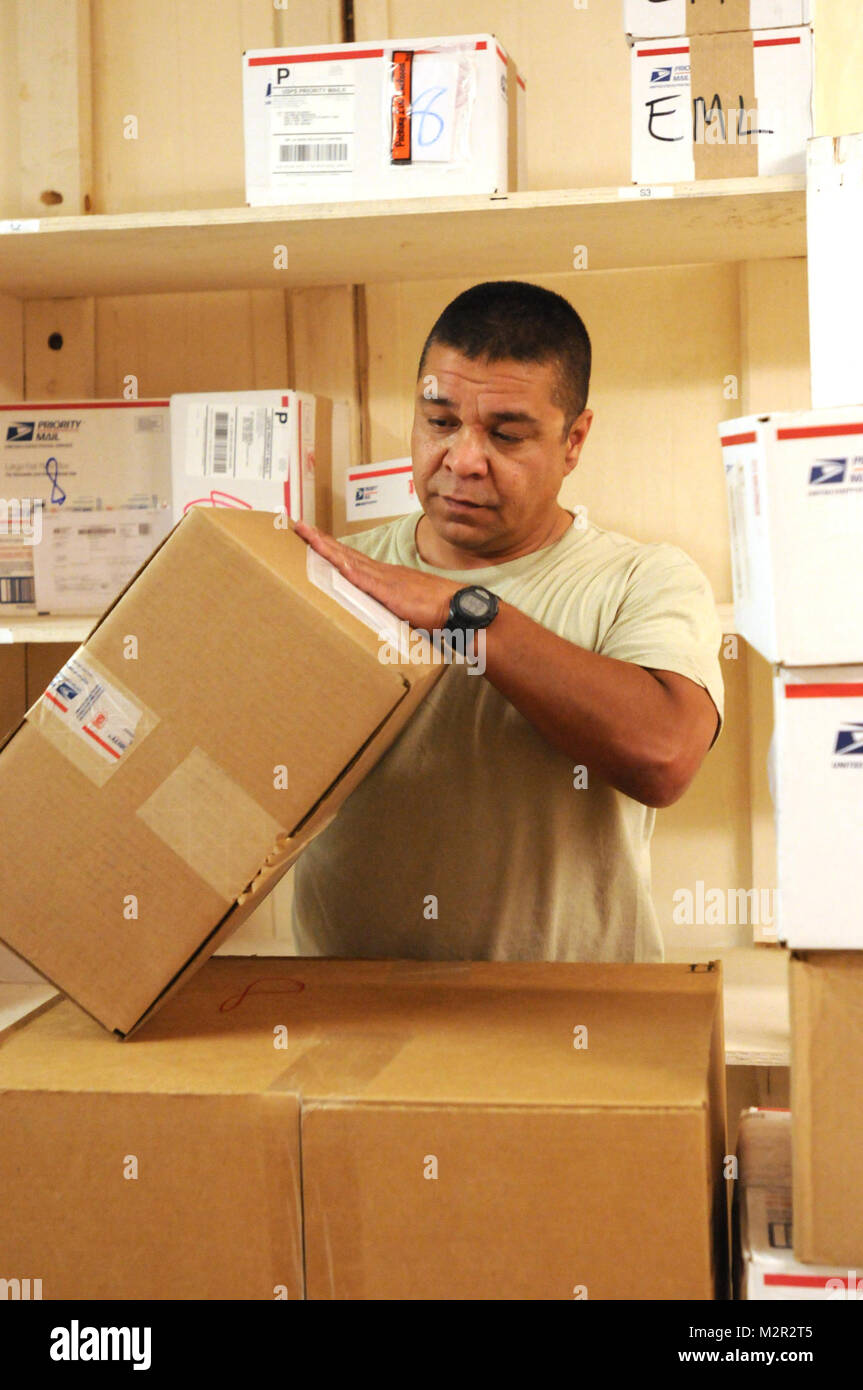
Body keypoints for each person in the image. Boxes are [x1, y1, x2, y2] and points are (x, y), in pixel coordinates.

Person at [292, 280, 724, 962]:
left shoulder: (641, 579)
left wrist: (461, 614)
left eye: (505, 434)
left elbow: (664, 757)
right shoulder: (334, 571)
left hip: (573, 1023)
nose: (462, 460)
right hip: (354, 1014)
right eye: (439, 422)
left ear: (574, 441)